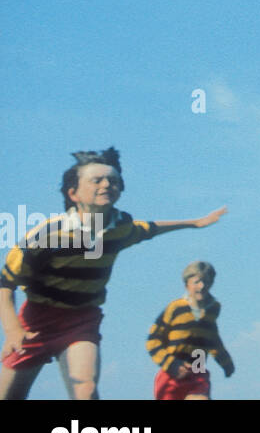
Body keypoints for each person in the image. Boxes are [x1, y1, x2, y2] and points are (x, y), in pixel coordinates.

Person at [0, 148, 226, 399]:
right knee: (11, 393)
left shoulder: (120, 228)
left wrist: (194, 222)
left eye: (113, 180)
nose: (107, 184)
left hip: (81, 318)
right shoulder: (47, 235)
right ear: (73, 193)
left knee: (85, 387)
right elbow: (5, 284)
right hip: (35, 320)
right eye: (96, 180)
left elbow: (150, 229)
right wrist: (12, 331)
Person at [146, 260, 235, 400]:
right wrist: (172, 364)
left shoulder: (213, 309)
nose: (202, 286)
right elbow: (153, 340)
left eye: (206, 282)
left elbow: (213, 339)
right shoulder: (175, 308)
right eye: (197, 282)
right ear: (187, 284)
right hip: (172, 373)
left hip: (197, 370)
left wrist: (226, 363)